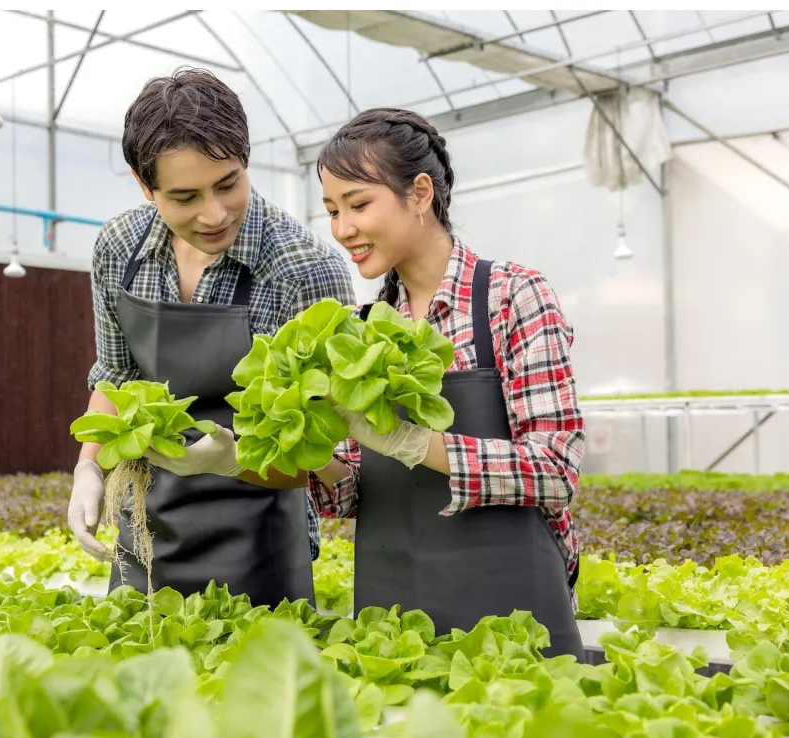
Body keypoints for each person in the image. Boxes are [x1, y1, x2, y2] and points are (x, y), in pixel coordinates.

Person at [166, 107, 586, 660]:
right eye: (333, 211)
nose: (343, 230)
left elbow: (556, 470)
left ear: (419, 193)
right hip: (394, 620)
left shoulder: (510, 297)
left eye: (359, 205)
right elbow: (349, 491)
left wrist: (418, 443)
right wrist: (242, 459)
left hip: (513, 615)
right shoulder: (355, 331)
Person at [67, 68, 356, 608]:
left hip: (260, 536)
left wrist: (229, 460)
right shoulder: (120, 249)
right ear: (143, 184)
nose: (214, 214)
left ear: (247, 160)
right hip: (148, 529)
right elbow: (117, 375)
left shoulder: (304, 268)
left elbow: (331, 451)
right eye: (184, 196)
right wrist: (88, 467)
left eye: (228, 184)